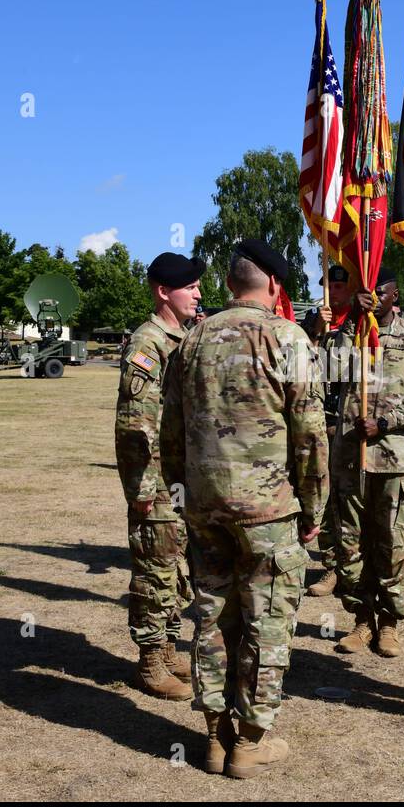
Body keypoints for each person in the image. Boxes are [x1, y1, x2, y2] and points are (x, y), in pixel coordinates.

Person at [161, 239, 327, 779]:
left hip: (205, 507)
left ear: (232, 284)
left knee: (211, 617)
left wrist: (184, 490)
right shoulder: (288, 338)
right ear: (275, 285)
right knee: (268, 622)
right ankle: (250, 743)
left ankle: (215, 737)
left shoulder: (191, 340)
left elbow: (171, 432)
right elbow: (310, 436)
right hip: (268, 509)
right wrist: (315, 507)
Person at [327, 266, 404, 658]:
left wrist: (386, 422)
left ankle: (389, 623)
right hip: (351, 458)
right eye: (367, 292)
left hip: (395, 458)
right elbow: (329, 373)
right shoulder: (350, 334)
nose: (374, 297)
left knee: (393, 544)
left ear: (395, 295)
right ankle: (360, 620)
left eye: (382, 292)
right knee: (351, 545)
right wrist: (350, 323)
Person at [116, 252, 205, 701]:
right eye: (189, 287)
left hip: (182, 478)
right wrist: (142, 488)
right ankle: (150, 660)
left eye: (197, 286)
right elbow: (136, 423)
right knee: (155, 569)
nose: (198, 293)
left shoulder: (184, 337)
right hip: (158, 480)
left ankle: (169, 645)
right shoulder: (148, 343)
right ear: (162, 291)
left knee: (175, 569)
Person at [301, 262, 356, 598]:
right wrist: (316, 334)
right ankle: (331, 566)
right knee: (324, 496)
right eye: (328, 286)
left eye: (339, 287)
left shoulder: (361, 323)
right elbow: (296, 367)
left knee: (351, 500)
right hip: (317, 421)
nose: (333, 293)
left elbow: (359, 370)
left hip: (349, 423)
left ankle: (353, 565)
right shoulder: (311, 321)